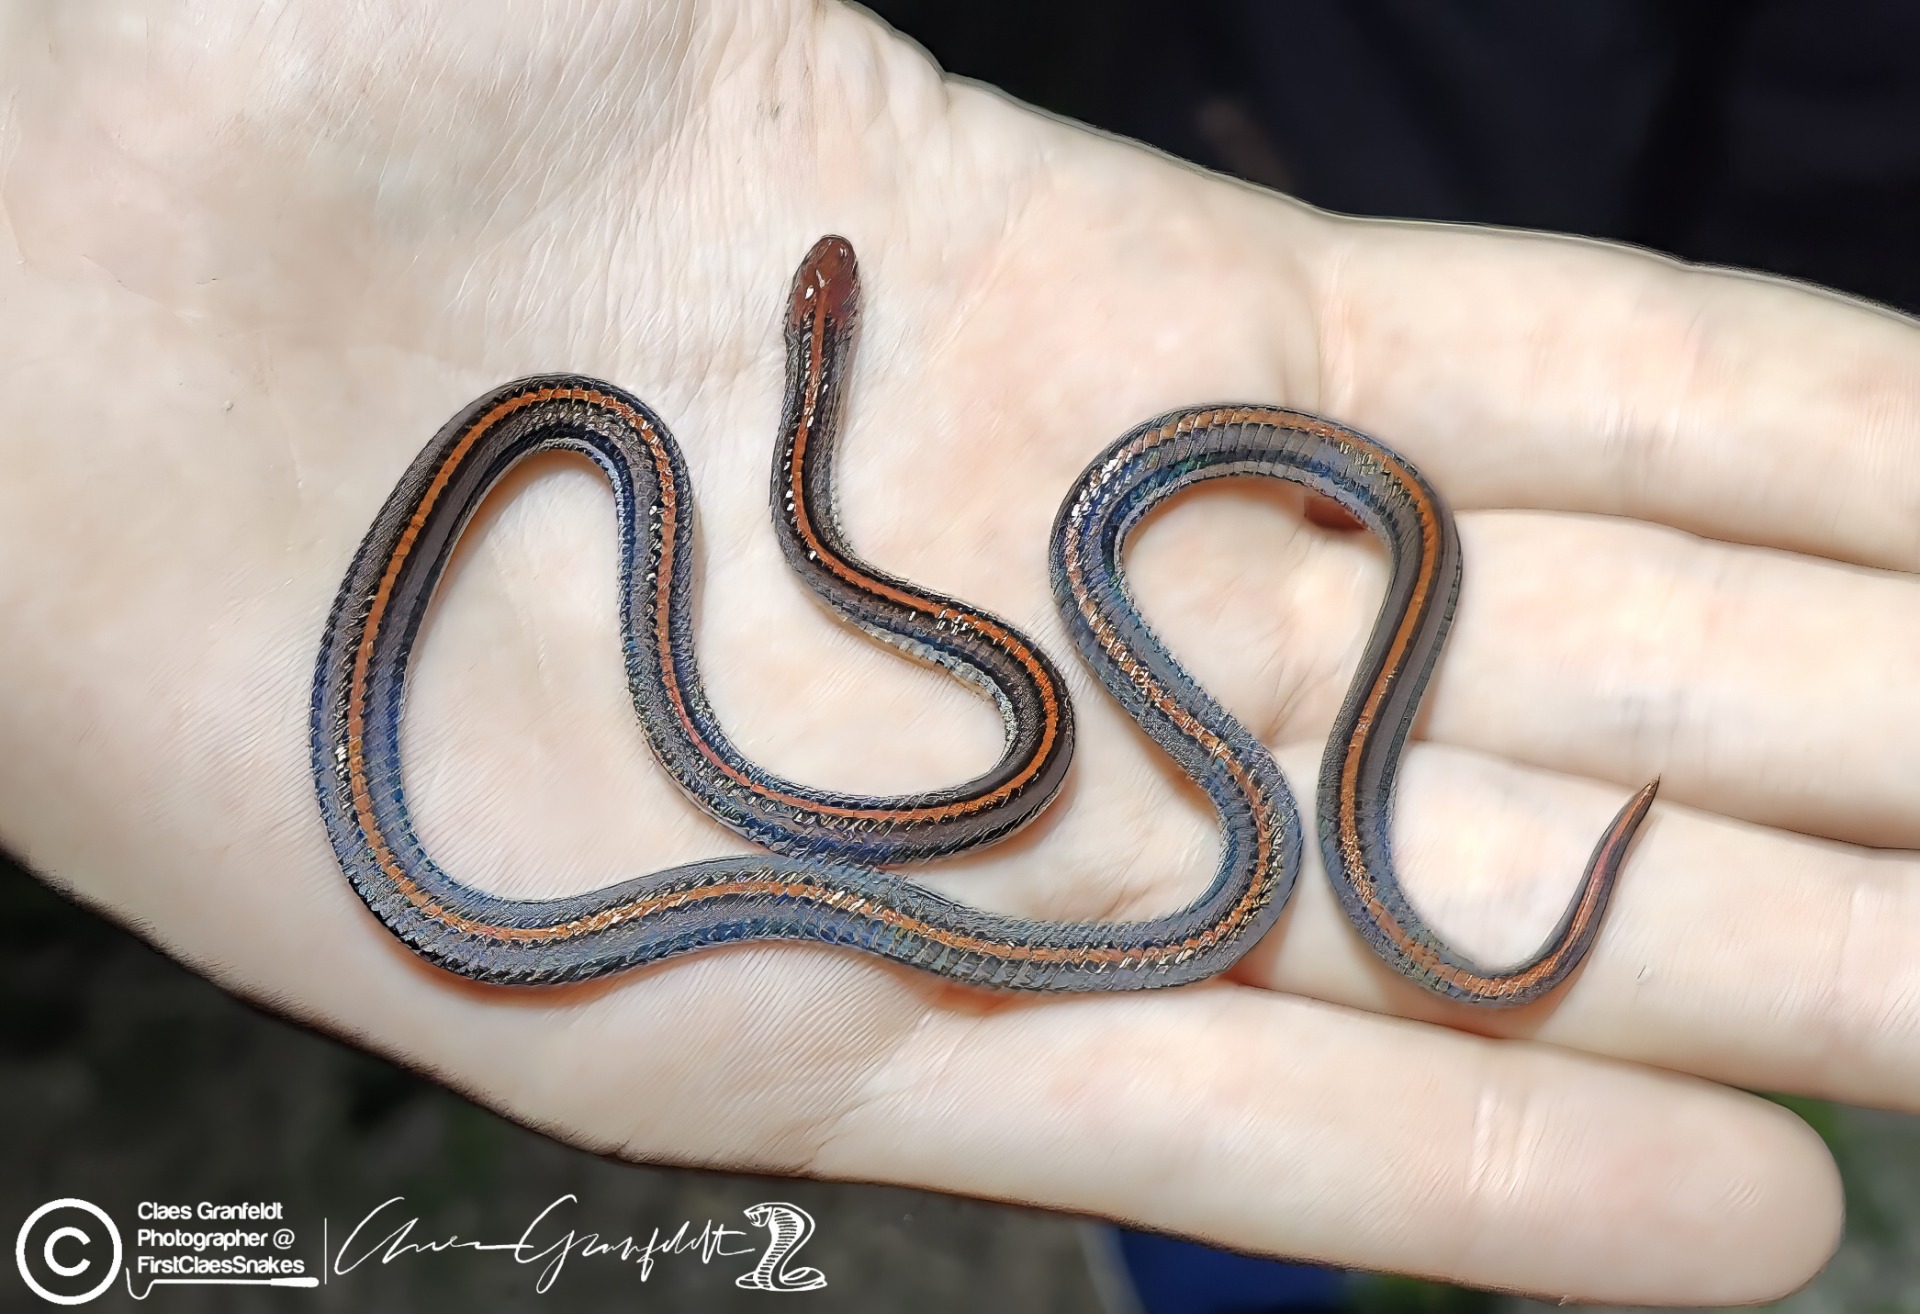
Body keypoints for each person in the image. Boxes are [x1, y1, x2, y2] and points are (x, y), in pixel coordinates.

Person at [1, 2, 1911, 1303]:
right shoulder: (646, 453)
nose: (822, 305)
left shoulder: (752, 510)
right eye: (822, 306)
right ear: (816, 341)